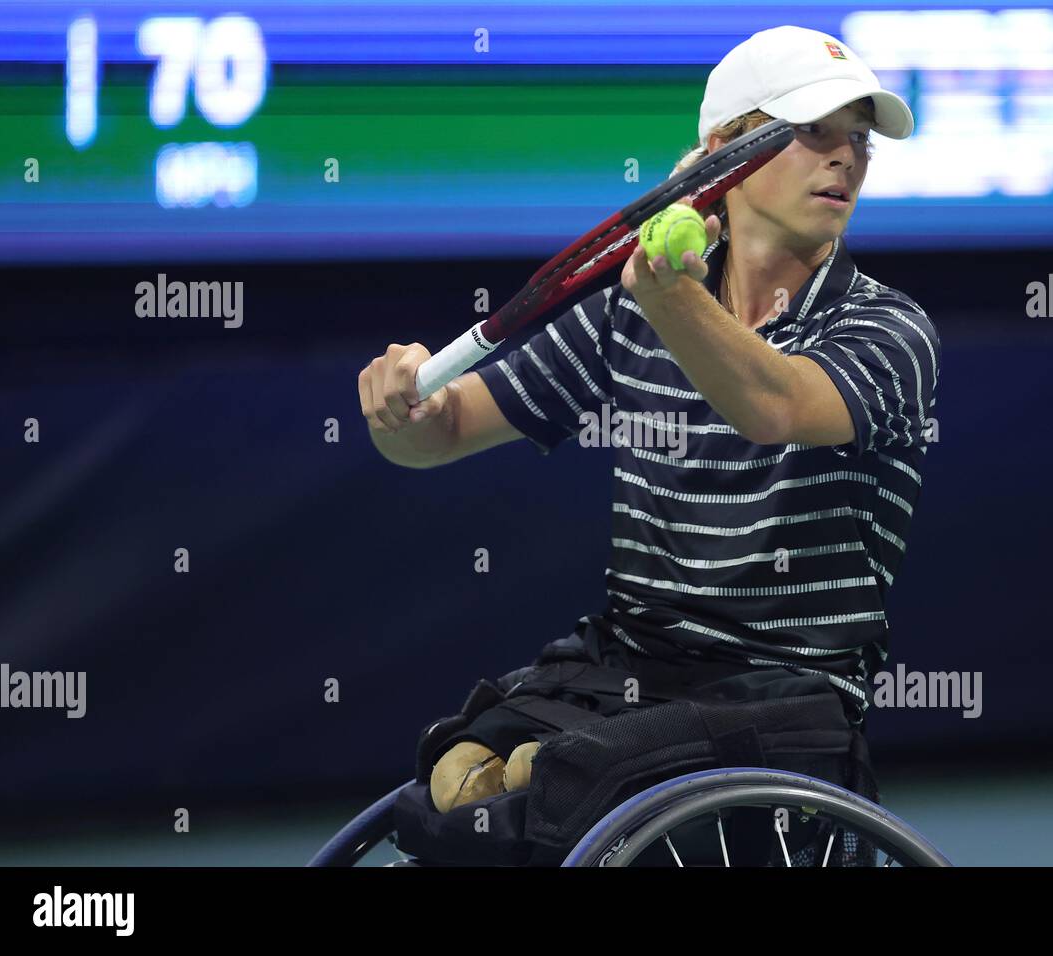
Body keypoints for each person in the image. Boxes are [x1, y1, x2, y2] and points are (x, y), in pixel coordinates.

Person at [359, 26, 940, 854]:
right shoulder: (628, 313)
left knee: (563, 786)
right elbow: (443, 430)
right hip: (627, 665)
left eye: (859, 137)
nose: (844, 157)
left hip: (786, 695)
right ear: (724, 153)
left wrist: (670, 296)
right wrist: (399, 415)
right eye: (812, 129)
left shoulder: (889, 328)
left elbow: (773, 406)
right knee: (455, 776)